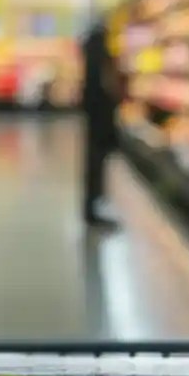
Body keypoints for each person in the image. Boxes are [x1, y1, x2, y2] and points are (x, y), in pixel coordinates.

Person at [81, 20, 119, 227]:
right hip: (101, 120)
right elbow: (111, 87)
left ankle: (92, 206)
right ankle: (93, 208)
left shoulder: (90, 59)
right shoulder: (103, 60)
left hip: (94, 119)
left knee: (93, 164)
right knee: (96, 165)